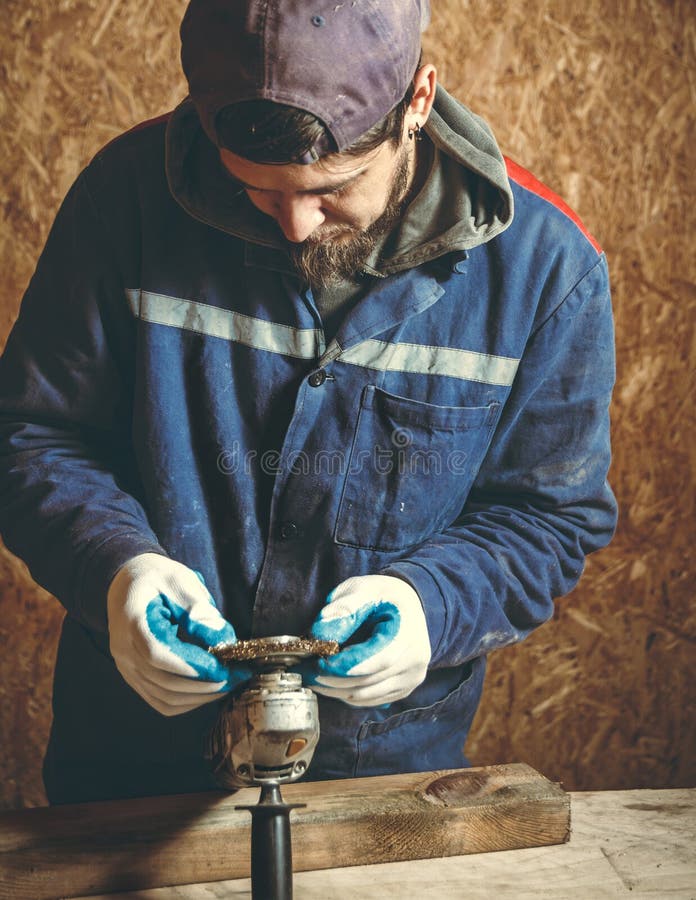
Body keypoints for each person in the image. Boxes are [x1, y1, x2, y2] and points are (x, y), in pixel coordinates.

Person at [0, 0, 617, 805]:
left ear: (418, 103)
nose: (293, 224)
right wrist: (116, 572)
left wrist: (429, 605)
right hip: (129, 763)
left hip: (381, 775)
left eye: (331, 189)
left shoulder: (544, 269)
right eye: (252, 187)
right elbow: (33, 436)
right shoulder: (123, 200)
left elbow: (549, 515)